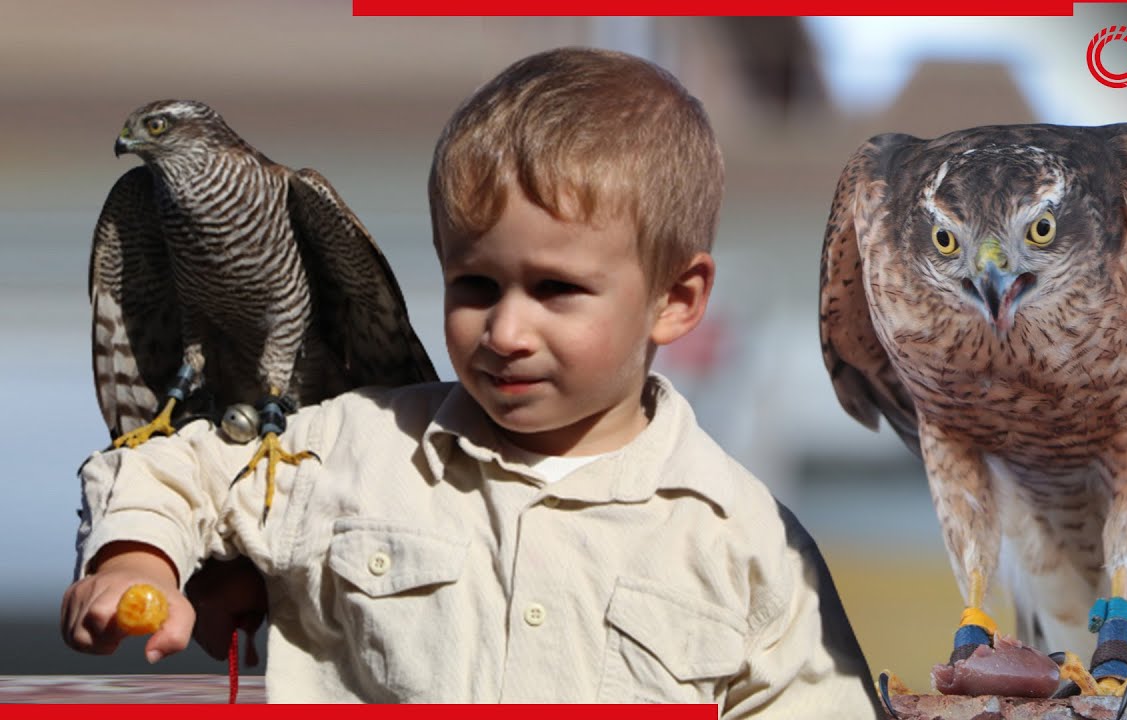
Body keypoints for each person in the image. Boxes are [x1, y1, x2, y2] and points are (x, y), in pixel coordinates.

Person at [61, 46, 882, 716]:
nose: (506, 332)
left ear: (676, 299)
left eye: (556, 290)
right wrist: (143, 561)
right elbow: (165, 465)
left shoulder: (743, 538)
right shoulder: (351, 447)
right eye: (476, 288)